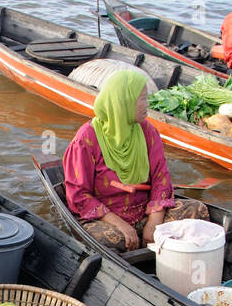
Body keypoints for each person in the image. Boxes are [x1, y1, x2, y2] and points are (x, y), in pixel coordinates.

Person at [64, 70, 209, 252]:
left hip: (144, 213)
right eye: (142, 99)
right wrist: (122, 226)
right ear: (123, 102)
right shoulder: (86, 139)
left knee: (198, 211)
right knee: (109, 240)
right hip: (106, 218)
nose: (147, 105)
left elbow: (161, 181)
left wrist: (154, 223)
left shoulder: (148, 132)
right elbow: (78, 196)